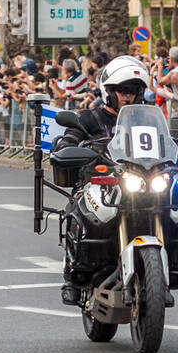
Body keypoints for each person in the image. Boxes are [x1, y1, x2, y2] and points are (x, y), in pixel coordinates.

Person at [53, 56, 153, 305]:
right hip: (101, 184)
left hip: (140, 182)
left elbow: (166, 142)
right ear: (109, 91)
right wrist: (67, 146)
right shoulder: (90, 119)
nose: (128, 96)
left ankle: (166, 264)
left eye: (133, 91)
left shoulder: (147, 119)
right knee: (78, 209)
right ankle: (72, 273)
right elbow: (69, 137)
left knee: (177, 202)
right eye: (122, 90)